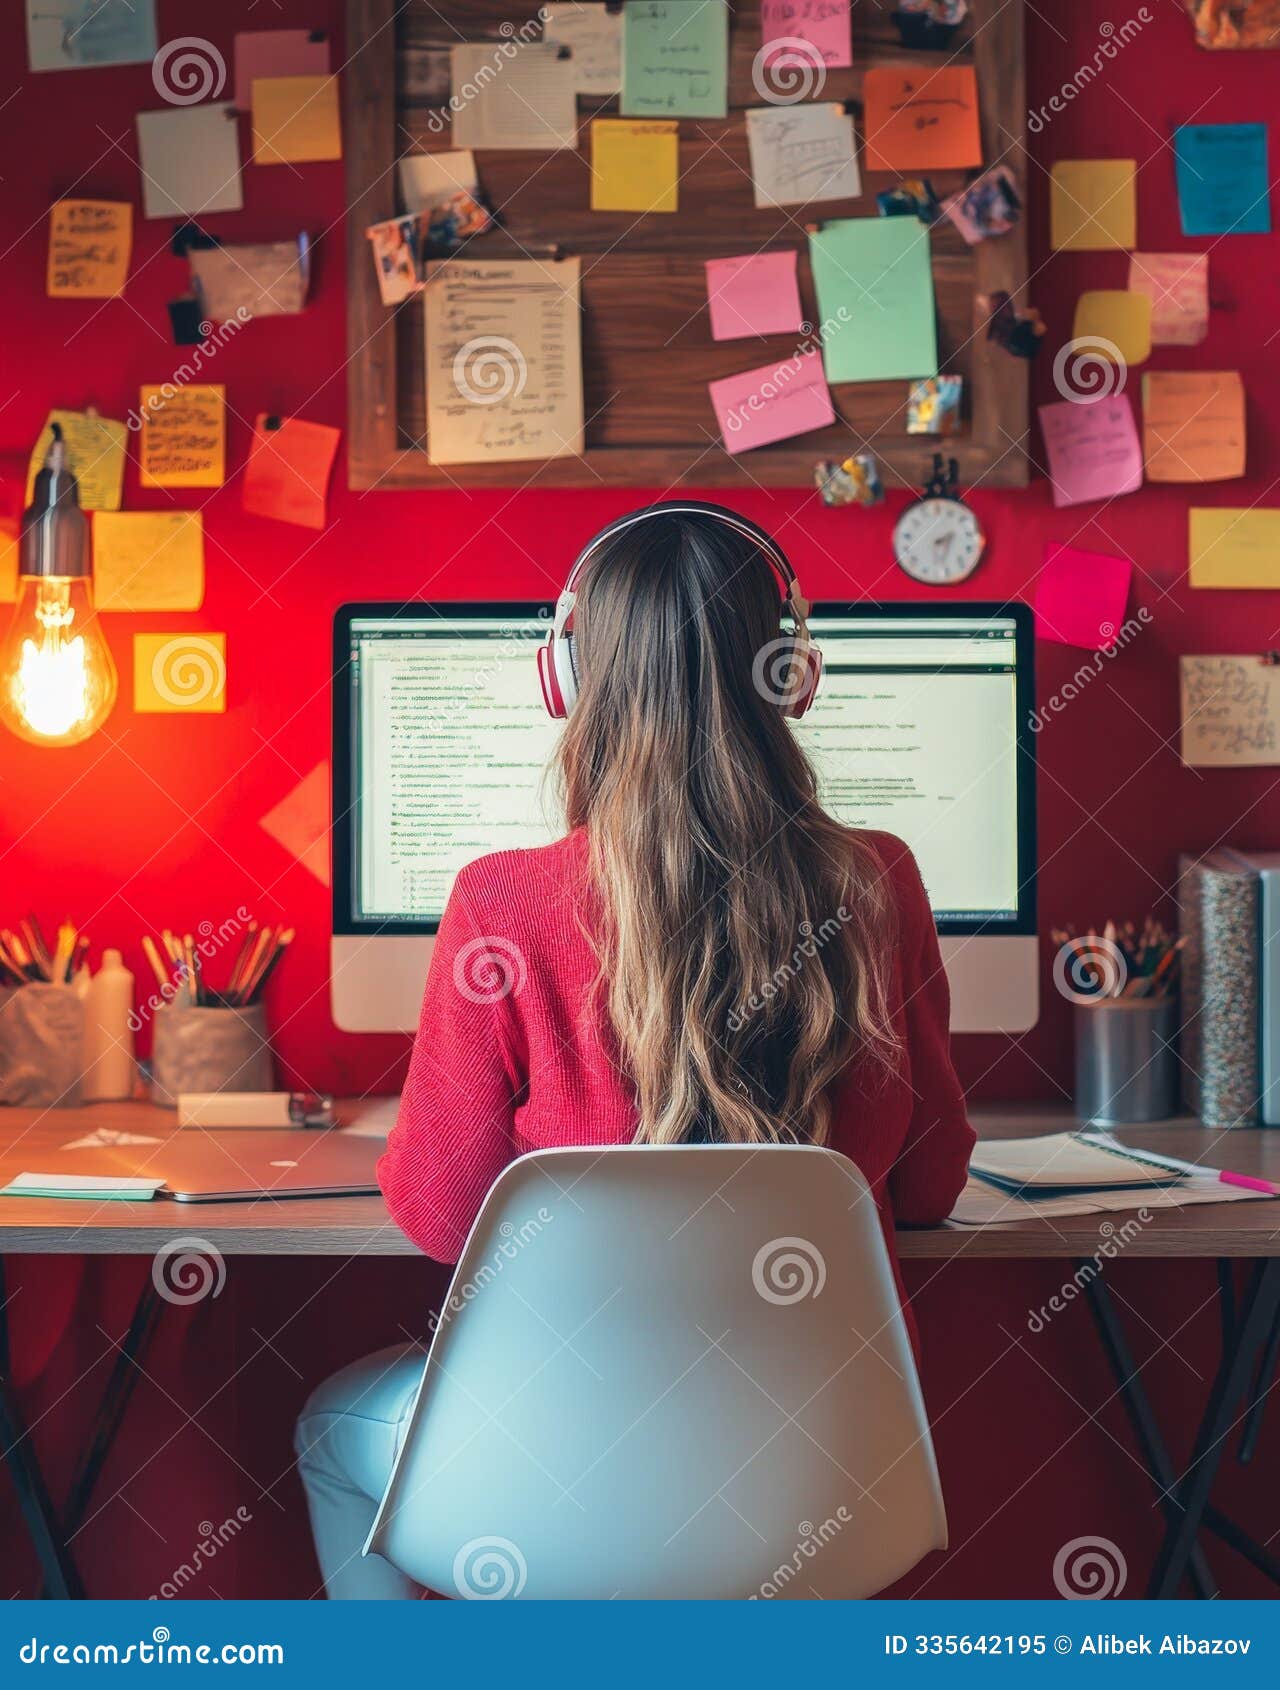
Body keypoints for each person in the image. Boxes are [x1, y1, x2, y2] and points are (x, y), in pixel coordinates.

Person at [296, 502, 974, 1598]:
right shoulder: (874, 882)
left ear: (563, 680)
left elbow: (437, 1217)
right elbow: (932, 1186)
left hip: (549, 1491)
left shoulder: (499, 903)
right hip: (825, 1487)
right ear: (792, 672)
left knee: (329, 1427)